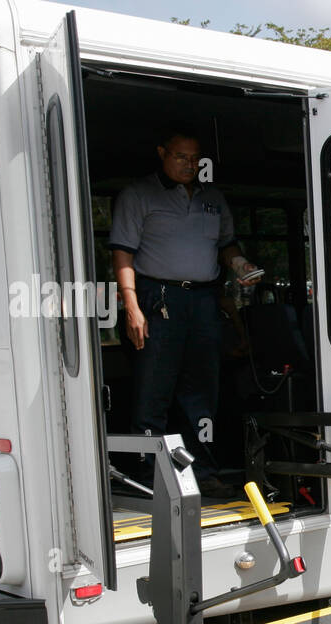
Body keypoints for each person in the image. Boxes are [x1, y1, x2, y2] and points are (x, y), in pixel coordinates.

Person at [109, 129, 261, 499]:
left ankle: (203, 468)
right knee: (153, 391)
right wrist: (131, 305)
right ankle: (147, 473)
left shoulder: (213, 199)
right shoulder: (138, 194)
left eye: (194, 159)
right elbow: (122, 253)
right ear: (162, 153)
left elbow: (226, 245)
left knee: (203, 392)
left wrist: (239, 263)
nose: (189, 165)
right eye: (180, 157)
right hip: (157, 297)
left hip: (204, 300)